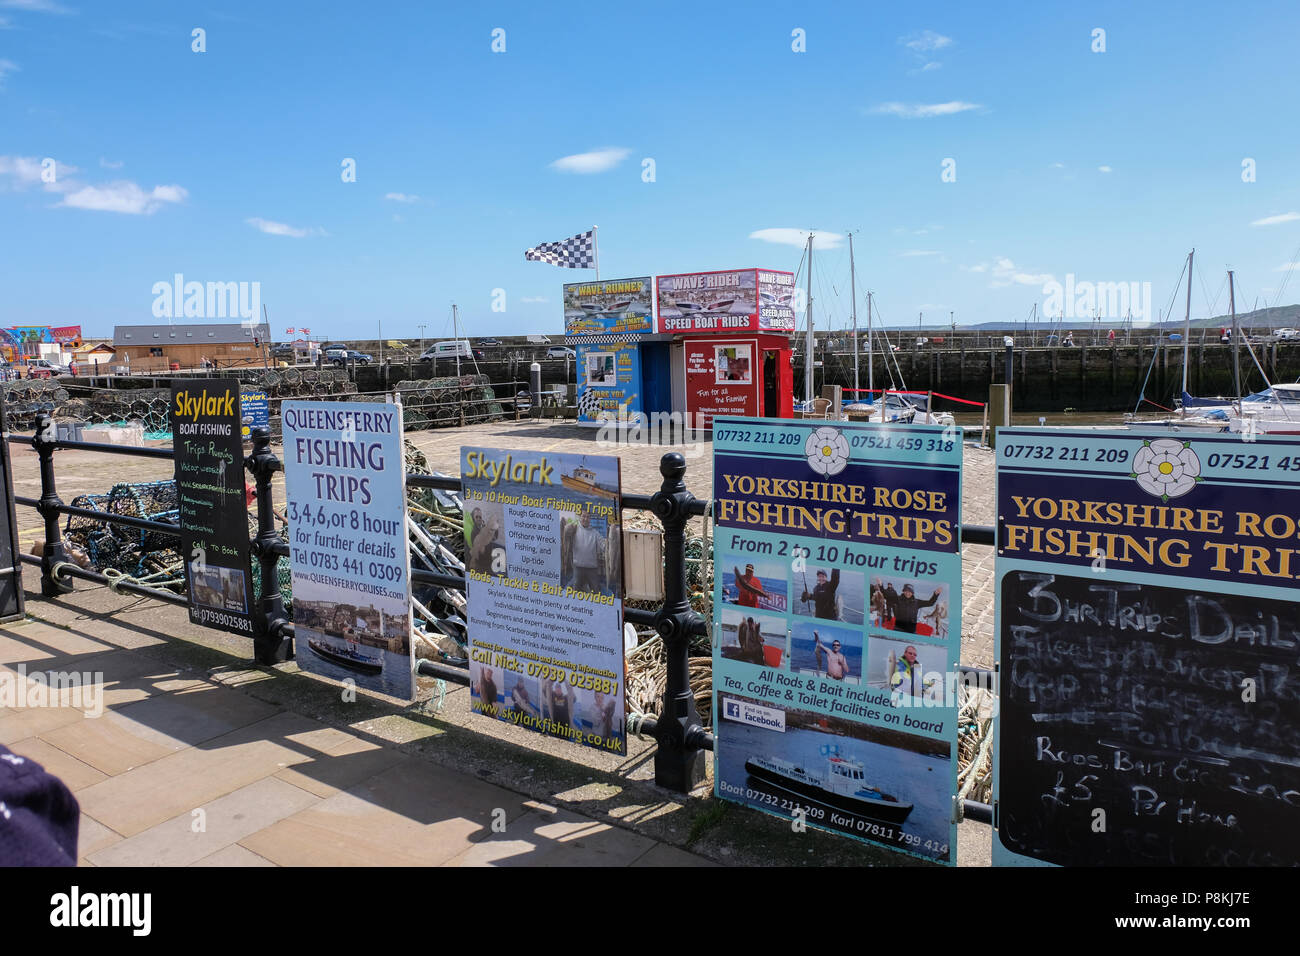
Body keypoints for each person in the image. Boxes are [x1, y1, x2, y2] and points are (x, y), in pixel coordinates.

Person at [564, 511, 604, 591]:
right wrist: (568, 528)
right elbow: (566, 532)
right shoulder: (574, 529)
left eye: (588, 517)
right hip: (578, 567)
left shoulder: (595, 533)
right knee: (576, 590)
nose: (585, 519)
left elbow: (603, 545)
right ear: (580, 517)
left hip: (592, 568)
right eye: (583, 516)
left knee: (596, 590)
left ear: (590, 519)